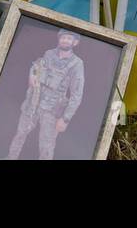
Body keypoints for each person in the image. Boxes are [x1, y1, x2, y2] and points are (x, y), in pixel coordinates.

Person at [7, 29, 86, 160]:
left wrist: (65, 118)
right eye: (63, 37)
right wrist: (32, 74)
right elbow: (37, 66)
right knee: (20, 134)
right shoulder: (49, 54)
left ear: (75, 42)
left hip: (52, 111)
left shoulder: (77, 64)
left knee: (46, 145)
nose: (65, 40)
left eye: (69, 38)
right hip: (33, 103)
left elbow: (77, 94)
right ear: (59, 39)